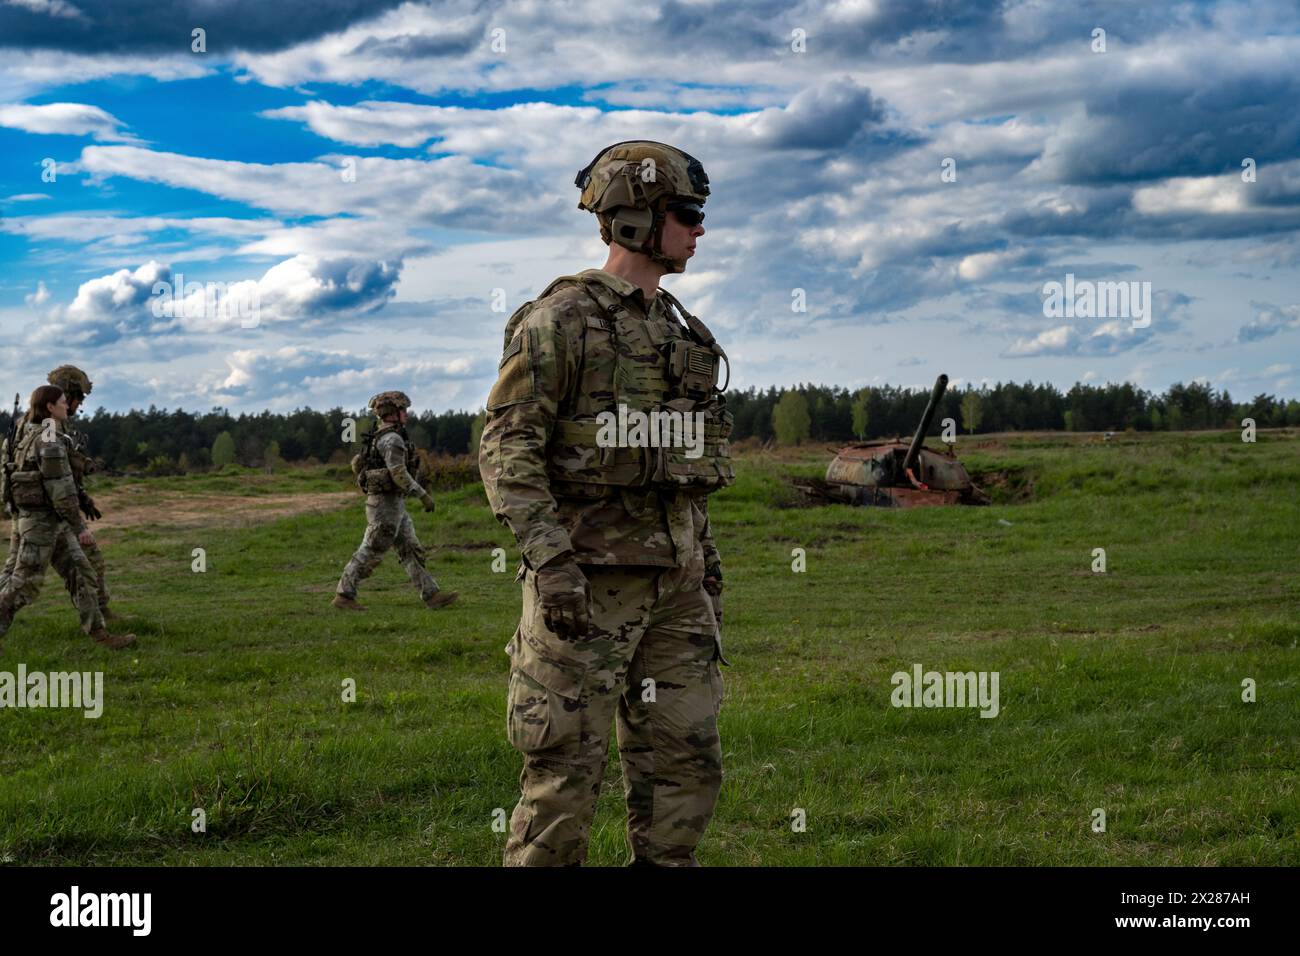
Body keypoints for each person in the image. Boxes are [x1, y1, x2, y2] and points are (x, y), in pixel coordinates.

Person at [480, 141, 733, 866]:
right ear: (632, 220)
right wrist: (551, 562)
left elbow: (682, 463)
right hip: (587, 588)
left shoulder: (677, 331)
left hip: (676, 589)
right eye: (686, 213)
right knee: (565, 774)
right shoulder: (559, 321)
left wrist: (704, 558)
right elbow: (507, 452)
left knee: (685, 762)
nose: (699, 229)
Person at [0, 385, 135, 650]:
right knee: (23, 584)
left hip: (50, 522)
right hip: (41, 524)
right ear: (50, 407)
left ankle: (99, 634)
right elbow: (60, 488)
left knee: (82, 574)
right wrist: (79, 525)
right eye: (63, 402)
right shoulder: (48, 439)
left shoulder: (29, 432)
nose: (68, 406)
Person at [333, 391, 458, 612]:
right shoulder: (392, 440)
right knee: (372, 549)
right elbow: (398, 472)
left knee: (410, 549)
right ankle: (344, 595)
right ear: (392, 413)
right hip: (384, 507)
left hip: (393, 505)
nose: (407, 415)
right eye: (403, 411)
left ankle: (432, 594)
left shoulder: (383, 435)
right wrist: (423, 495)